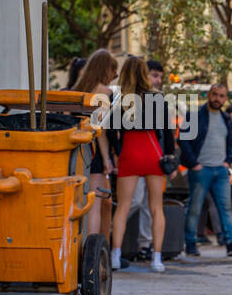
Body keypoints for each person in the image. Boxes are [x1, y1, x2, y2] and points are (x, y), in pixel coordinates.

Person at [109, 57, 173, 272]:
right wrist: (170, 156)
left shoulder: (120, 99)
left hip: (130, 151)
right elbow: (167, 132)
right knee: (156, 208)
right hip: (152, 152)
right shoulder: (157, 99)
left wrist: (118, 152)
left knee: (123, 207)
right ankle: (157, 258)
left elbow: (111, 131)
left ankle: (115, 256)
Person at [179, 83, 232, 258]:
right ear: (209, 95)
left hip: (220, 170)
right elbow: (183, 141)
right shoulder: (194, 116)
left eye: (221, 96)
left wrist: (227, 162)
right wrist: (194, 163)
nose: (218, 99)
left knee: (226, 207)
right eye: (215, 94)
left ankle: (231, 243)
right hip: (200, 169)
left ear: (225, 98)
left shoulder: (226, 118)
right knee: (194, 208)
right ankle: (190, 243)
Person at [70, 49, 117, 239]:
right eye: (114, 70)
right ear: (106, 69)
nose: (114, 75)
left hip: (75, 150)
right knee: (95, 203)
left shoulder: (76, 90)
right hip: (94, 151)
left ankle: (77, 249)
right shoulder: (105, 93)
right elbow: (102, 130)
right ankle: (92, 252)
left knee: (80, 202)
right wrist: (107, 158)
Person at [128, 57, 164, 263]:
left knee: (149, 203)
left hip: (152, 156)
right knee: (135, 200)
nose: (158, 80)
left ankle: (145, 244)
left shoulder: (156, 98)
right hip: (136, 156)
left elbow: (163, 132)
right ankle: (114, 234)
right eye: (154, 75)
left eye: (159, 76)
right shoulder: (131, 98)